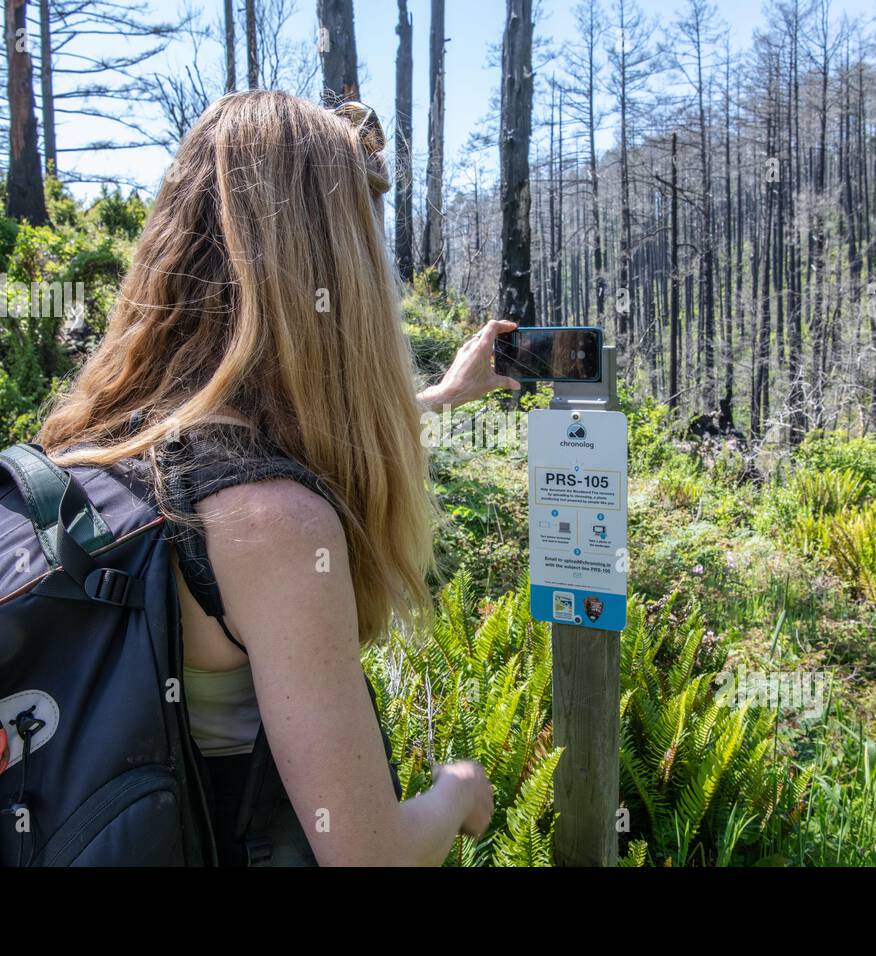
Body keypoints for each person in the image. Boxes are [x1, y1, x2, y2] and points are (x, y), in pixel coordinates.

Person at [36, 90, 520, 865]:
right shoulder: (275, 529)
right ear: (333, 271)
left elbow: (283, 446)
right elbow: (370, 856)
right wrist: (459, 790)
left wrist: (440, 396)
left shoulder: (91, 448)